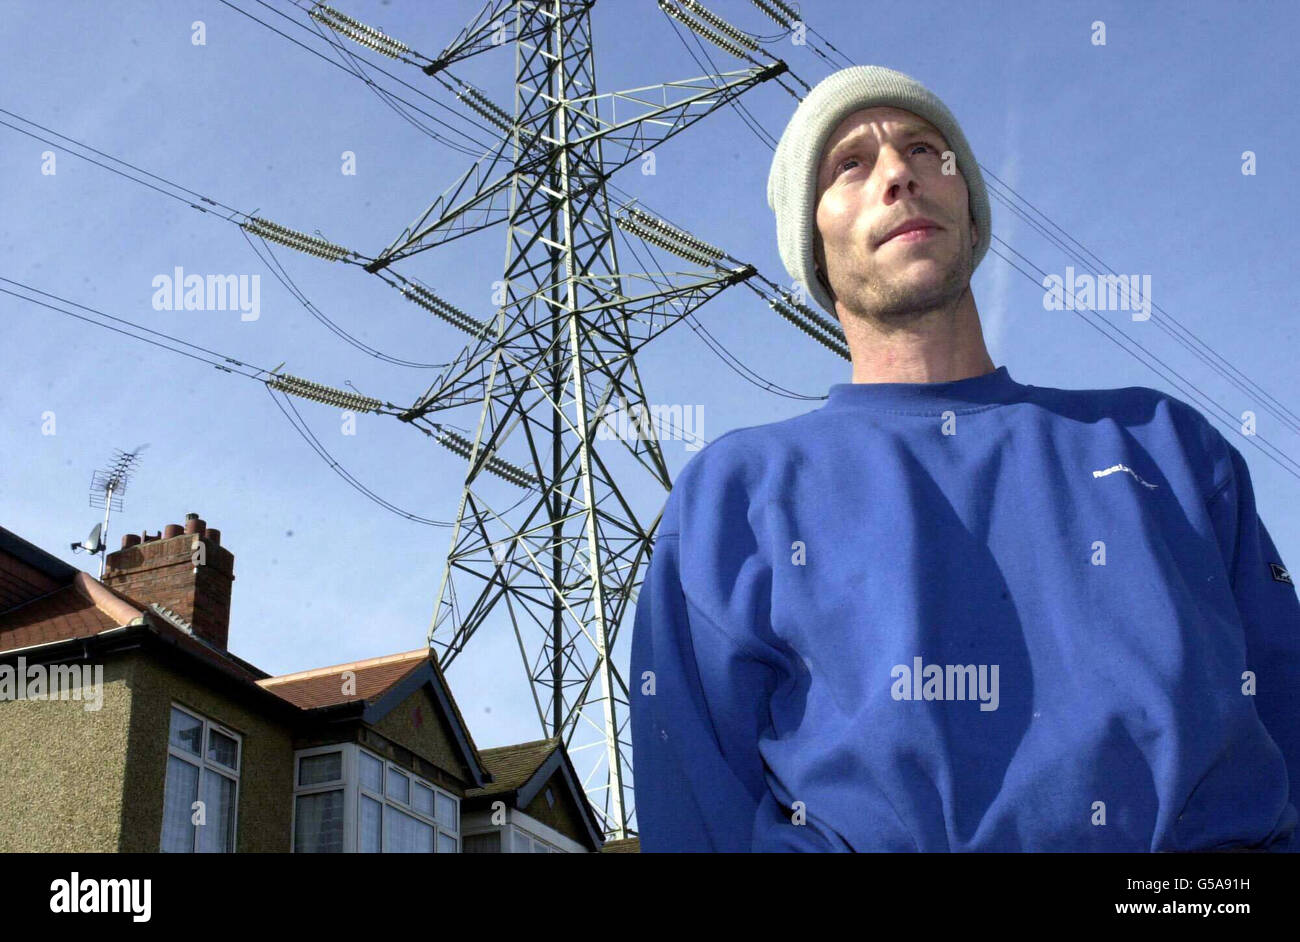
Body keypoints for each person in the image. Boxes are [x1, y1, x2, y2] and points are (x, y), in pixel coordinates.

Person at [629, 64, 1299, 852]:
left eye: (924, 150)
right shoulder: (730, 498)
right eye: (850, 163)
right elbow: (696, 812)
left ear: (973, 214)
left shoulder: (1166, 445)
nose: (898, 174)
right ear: (811, 247)